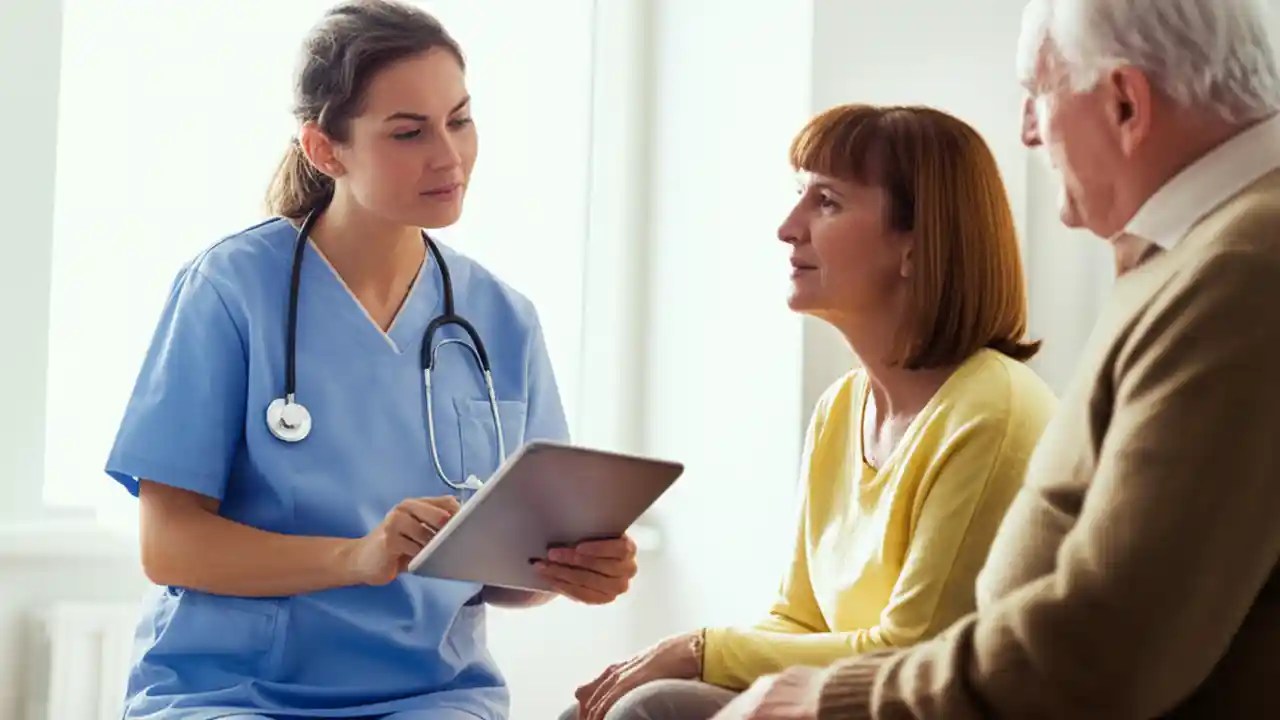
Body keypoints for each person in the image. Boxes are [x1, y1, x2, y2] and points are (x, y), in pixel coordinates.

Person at [714, 1, 1280, 718]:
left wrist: (832, 700)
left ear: (1125, 103)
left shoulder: (1243, 272)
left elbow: (1110, 643)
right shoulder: (1202, 257)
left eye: (1038, 93)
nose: (1028, 130)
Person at [104, 2, 639, 718]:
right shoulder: (230, 291)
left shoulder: (501, 319)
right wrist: (355, 557)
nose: (449, 156)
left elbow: (513, 574)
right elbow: (169, 546)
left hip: (430, 695)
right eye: (409, 132)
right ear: (325, 149)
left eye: (460, 119)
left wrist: (570, 571)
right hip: (233, 689)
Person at [561, 104, 1058, 720]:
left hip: (925, 705)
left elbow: (912, 649)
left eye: (826, 201)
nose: (788, 227)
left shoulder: (992, 410)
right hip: (849, 701)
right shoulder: (842, 406)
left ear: (916, 244)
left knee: (653, 710)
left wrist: (699, 652)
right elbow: (799, 619)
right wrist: (697, 655)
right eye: (800, 194)